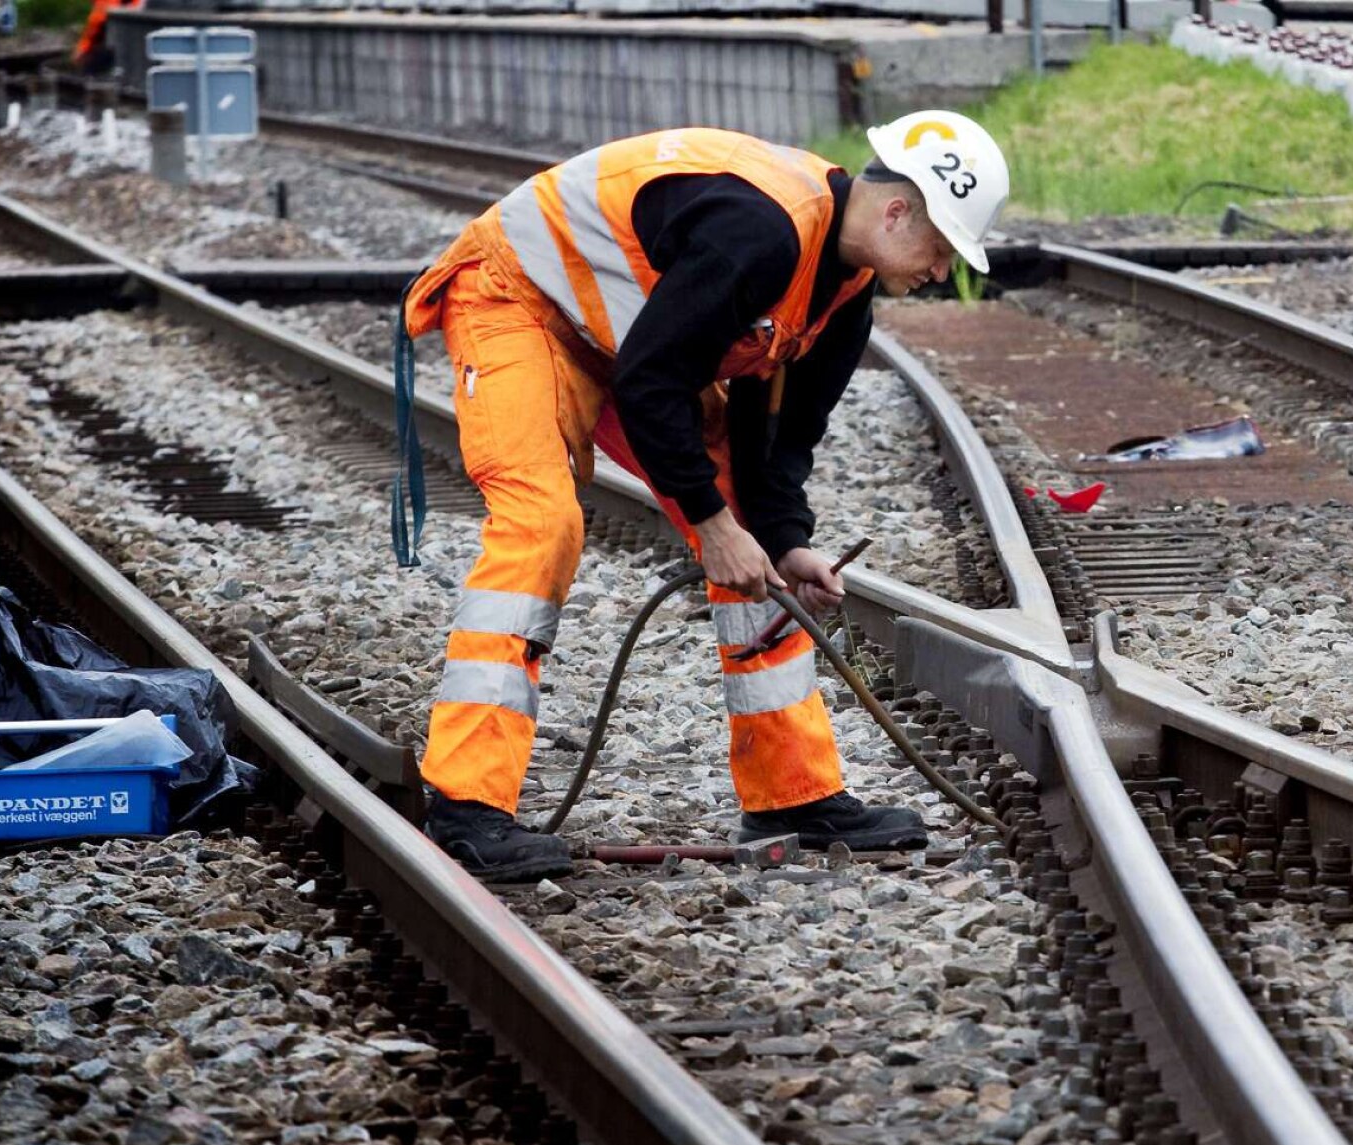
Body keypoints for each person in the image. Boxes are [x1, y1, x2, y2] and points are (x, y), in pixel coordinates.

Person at [397, 114, 1008, 882]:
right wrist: (711, 523)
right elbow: (653, 381)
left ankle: (793, 795)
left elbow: (777, 435)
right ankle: (466, 804)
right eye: (941, 249)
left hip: (627, 337)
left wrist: (782, 539)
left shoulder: (846, 293)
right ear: (895, 212)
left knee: (756, 543)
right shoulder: (763, 231)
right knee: (542, 521)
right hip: (519, 299)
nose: (940, 270)